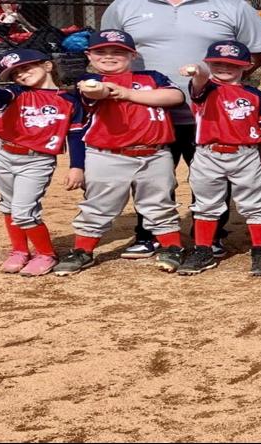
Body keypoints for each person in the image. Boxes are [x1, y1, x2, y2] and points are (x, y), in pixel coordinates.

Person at [97, 0, 261, 258]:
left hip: (211, 115)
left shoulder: (234, 6)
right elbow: (112, 50)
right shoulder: (124, 5)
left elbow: (256, 52)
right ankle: (150, 234)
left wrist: (226, 85)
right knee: (149, 178)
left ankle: (210, 237)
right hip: (145, 112)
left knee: (213, 179)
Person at [51, 30, 188, 275]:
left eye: (118, 52)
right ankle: (83, 251)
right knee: (98, 205)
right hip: (107, 155)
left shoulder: (151, 77)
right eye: (101, 52)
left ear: (132, 55)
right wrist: (99, 89)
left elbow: (175, 96)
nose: (109, 56)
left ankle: (172, 247)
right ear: (89, 56)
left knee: (159, 204)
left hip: (154, 155)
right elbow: (93, 91)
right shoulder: (88, 80)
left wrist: (128, 94)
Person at [0, 48, 85, 277]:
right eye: (15, 73)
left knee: (24, 210)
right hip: (1, 154)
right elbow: (1, 94)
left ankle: (46, 254)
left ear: (48, 66)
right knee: (8, 204)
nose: (22, 75)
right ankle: (19, 251)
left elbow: (75, 136)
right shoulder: (17, 92)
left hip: (36, 161)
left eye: (27, 68)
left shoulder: (70, 100)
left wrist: (77, 166)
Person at [175, 40, 261, 276]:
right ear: (209, 64)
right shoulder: (206, 88)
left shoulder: (256, 95)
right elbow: (198, 79)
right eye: (217, 63)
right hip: (209, 154)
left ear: (246, 66)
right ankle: (203, 249)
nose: (224, 67)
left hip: (246, 154)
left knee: (255, 204)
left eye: (232, 63)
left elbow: (260, 131)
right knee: (206, 205)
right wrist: (196, 71)